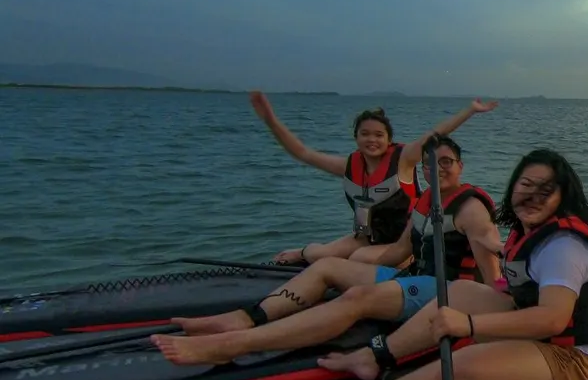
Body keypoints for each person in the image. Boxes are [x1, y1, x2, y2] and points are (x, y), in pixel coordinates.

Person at [280, 148, 588, 380]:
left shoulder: (563, 246)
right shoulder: (528, 231)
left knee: (463, 368)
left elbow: (552, 320)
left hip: (570, 360)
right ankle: (373, 357)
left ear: (562, 198)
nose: (533, 197)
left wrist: (468, 324)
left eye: (546, 191)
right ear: (514, 187)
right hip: (539, 333)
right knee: (460, 291)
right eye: (527, 185)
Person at [151, 133, 503, 362]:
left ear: (460, 166)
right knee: (326, 268)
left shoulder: (471, 209)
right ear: (422, 167)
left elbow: (492, 282)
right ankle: (242, 318)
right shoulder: (425, 200)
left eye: (446, 162)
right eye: (430, 162)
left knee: (357, 299)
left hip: (445, 293)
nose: (437, 168)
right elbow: (397, 252)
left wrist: (480, 328)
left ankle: (233, 345)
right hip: (412, 277)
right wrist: (356, 264)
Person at [248, 90, 497, 264]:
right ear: (356, 138)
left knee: (356, 259)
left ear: (388, 139)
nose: (372, 140)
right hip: (366, 238)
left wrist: (470, 111)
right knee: (316, 255)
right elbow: (303, 152)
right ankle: (302, 252)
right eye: (365, 134)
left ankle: (401, 265)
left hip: (404, 244)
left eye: (379, 135)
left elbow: (435, 133)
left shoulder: (404, 158)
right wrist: (270, 120)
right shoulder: (349, 165)